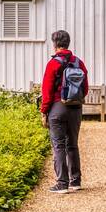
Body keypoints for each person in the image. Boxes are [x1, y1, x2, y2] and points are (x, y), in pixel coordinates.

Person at [40, 29, 88, 194]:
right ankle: (76, 181)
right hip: (75, 108)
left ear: (55, 45)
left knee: (59, 145)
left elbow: (46, 91)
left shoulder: (53, 64)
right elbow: (85, 88)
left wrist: (44, 111)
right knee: (72, 144)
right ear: (68, 43)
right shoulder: (78, 62)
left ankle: (62, 184)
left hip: (57, 107)